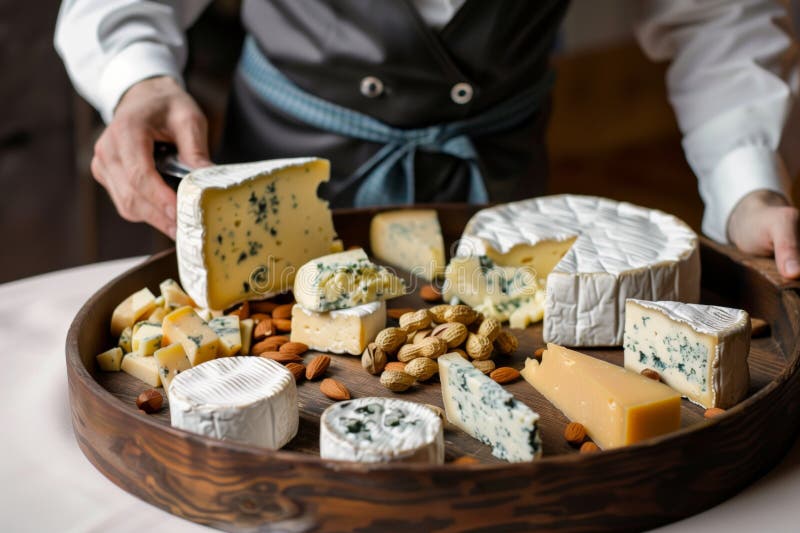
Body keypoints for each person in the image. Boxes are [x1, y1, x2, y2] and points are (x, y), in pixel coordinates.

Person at [55, 0, 800, 278]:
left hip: (504, 203)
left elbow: (718, 17)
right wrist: (140, 81)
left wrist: (748, 189)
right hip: (269, 212)